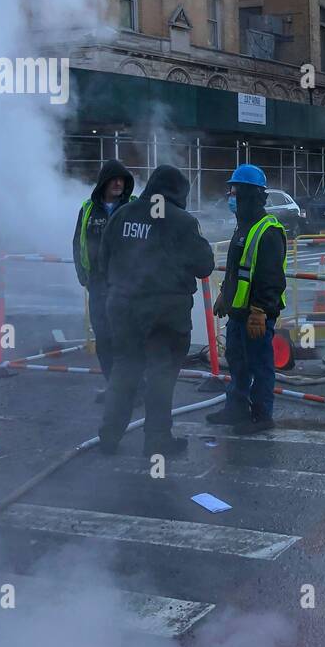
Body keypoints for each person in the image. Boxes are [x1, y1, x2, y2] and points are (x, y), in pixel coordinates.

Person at [96, 165, 215, 457]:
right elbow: (204, 265)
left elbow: (103, 262)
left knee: (124, 369)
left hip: (122, 307)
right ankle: (157, 440)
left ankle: (109, 435)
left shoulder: (122, 214)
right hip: (165, 313)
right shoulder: (181, 222)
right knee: (161, 376)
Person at [207, 165, 288, 433]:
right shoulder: (243, 227)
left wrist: (259, 312)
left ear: (249, 194)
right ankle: (236, 409)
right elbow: (237, 269)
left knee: (260, 364)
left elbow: (271, 278)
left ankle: (262, 416)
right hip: (238, 312)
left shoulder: (268, 230)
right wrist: (224, 296)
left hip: (257, 314)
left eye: (234, 190)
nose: (230, 195)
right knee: (238, 362)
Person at [71, 159, 135, 399]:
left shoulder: (133, 206)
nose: (119, 183)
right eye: (114, 179)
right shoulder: (88, 209)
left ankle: (133, 388)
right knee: (105, 339)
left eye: (123, 179)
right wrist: (82, 275)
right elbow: (78, 242)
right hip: (98, 285)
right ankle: (114, 386)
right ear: (103, 182)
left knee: (127, 341)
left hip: (128, 287)